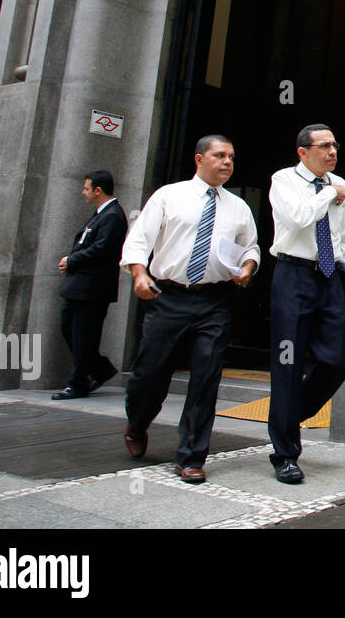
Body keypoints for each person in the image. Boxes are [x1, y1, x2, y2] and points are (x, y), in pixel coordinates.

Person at [119, 135, 259, 483]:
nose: (227, 162)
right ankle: (137, 424)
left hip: (215, 301)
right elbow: (139, 240)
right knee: (149, 374)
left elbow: (250, 248)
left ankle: (192, 457)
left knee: (206, 379)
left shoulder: (238, 207)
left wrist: (247, 268)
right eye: (219, 155)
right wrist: (138, 274)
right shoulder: (169, 195)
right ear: (199, 159)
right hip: (168, 297)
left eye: (231, 156)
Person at [266, 124, 345, 484]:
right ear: (303, 152)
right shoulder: (283, 180)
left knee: (337, 361)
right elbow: (301, 217)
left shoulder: (340, 185)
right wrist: (328, 194)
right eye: (324, 146)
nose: (333, 151)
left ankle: (286, 416)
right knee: (288, 363)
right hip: (293, 278)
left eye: (334, 145)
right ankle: (285, 454)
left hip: (329, 278)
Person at [52, 170, 127, 399]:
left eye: (86, 188)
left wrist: (72, 260)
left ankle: (78, 383)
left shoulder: (113, 216)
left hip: (92, 290)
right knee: (70, 330)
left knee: (84, 337)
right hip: (79, 287)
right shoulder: (100, 214)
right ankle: (100, 369)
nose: (83, 193)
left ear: (98, 190)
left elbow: (102, 249)